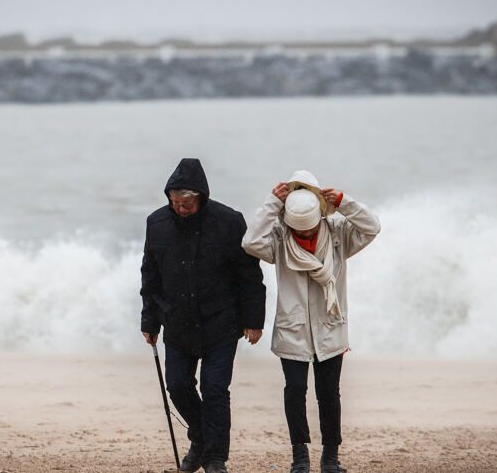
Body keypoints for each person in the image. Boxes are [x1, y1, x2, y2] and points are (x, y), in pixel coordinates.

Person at [241, 171, 380, 473]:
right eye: (299, 230)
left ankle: (330, 458)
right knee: (294, 391)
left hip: (330, 327)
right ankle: (300, 456)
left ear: (320, 216)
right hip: (292, 330)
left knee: (329, 394)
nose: (304, 235)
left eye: (310, 228)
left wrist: (343, 201)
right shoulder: (279, 238)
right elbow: (250, 242)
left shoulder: (339, 233)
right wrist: (271, 204)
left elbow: (372, 227)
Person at [140, 158, 267, 473]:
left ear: (201, 197)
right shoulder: (157, 223)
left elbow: (249, 275)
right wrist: (149, 321)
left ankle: (214, 458)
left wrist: (253, 320)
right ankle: (200, 437)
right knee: (177, 385)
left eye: (186, 204)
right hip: (177, 322)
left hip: (220, 322)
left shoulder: (229, 221)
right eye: (175, 203)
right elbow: (150, 276)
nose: (180, 209)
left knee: (214, 390)